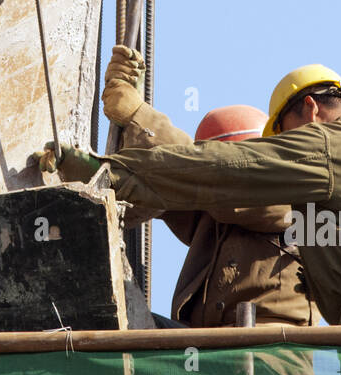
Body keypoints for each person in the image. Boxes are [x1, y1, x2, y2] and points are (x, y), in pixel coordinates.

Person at [41, 64, 341, 375]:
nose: (287, 152)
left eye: (285, 140)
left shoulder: (324, 155)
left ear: (309, 111)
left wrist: (112, 163)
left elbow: (217, 172)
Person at [101, 46, 316, 328]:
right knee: (120, 322)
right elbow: (155, 188)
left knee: (130, 334)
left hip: (269, 350)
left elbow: (212, 181)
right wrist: (128, 127)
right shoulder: (217, 217)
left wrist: (139, 115)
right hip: (209, 349)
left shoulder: (293, 201)